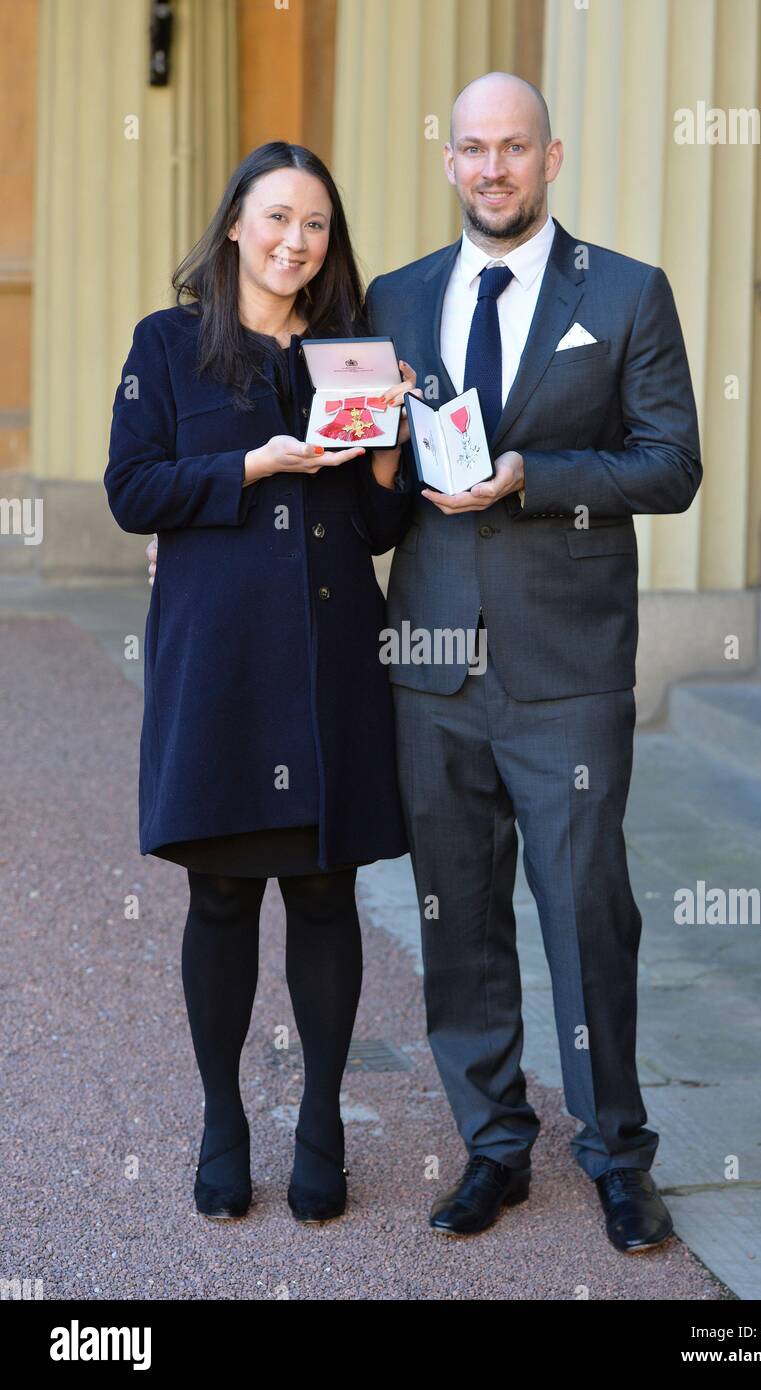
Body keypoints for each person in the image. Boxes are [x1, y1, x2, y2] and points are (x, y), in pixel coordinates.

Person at [361, 71, 703, 1251]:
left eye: (513, 148)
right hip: (430, 655)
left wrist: (534, 478)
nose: (491, 169)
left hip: (566, 666)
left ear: (549, 161)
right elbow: (373, 486)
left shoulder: (622, 291)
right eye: (471, 149)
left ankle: (616, 1152)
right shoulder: (392, 297)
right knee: (455, 913)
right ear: (447, 160)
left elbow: (669, 464)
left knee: (584, 911)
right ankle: (491, 1144)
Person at [105, 141, 416, 1223]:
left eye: (316, 224)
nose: (296, 240)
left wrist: (388, 447)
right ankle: (222, 1120)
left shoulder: (350, 354)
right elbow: (132, 490)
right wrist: (250, 465)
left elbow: (377, 527)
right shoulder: (168, 346)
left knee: (327, 893)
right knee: (222, 891)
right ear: (235, 222)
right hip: (222, 666)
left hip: (331, 660)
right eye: (277, 217)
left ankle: (321, 1121)